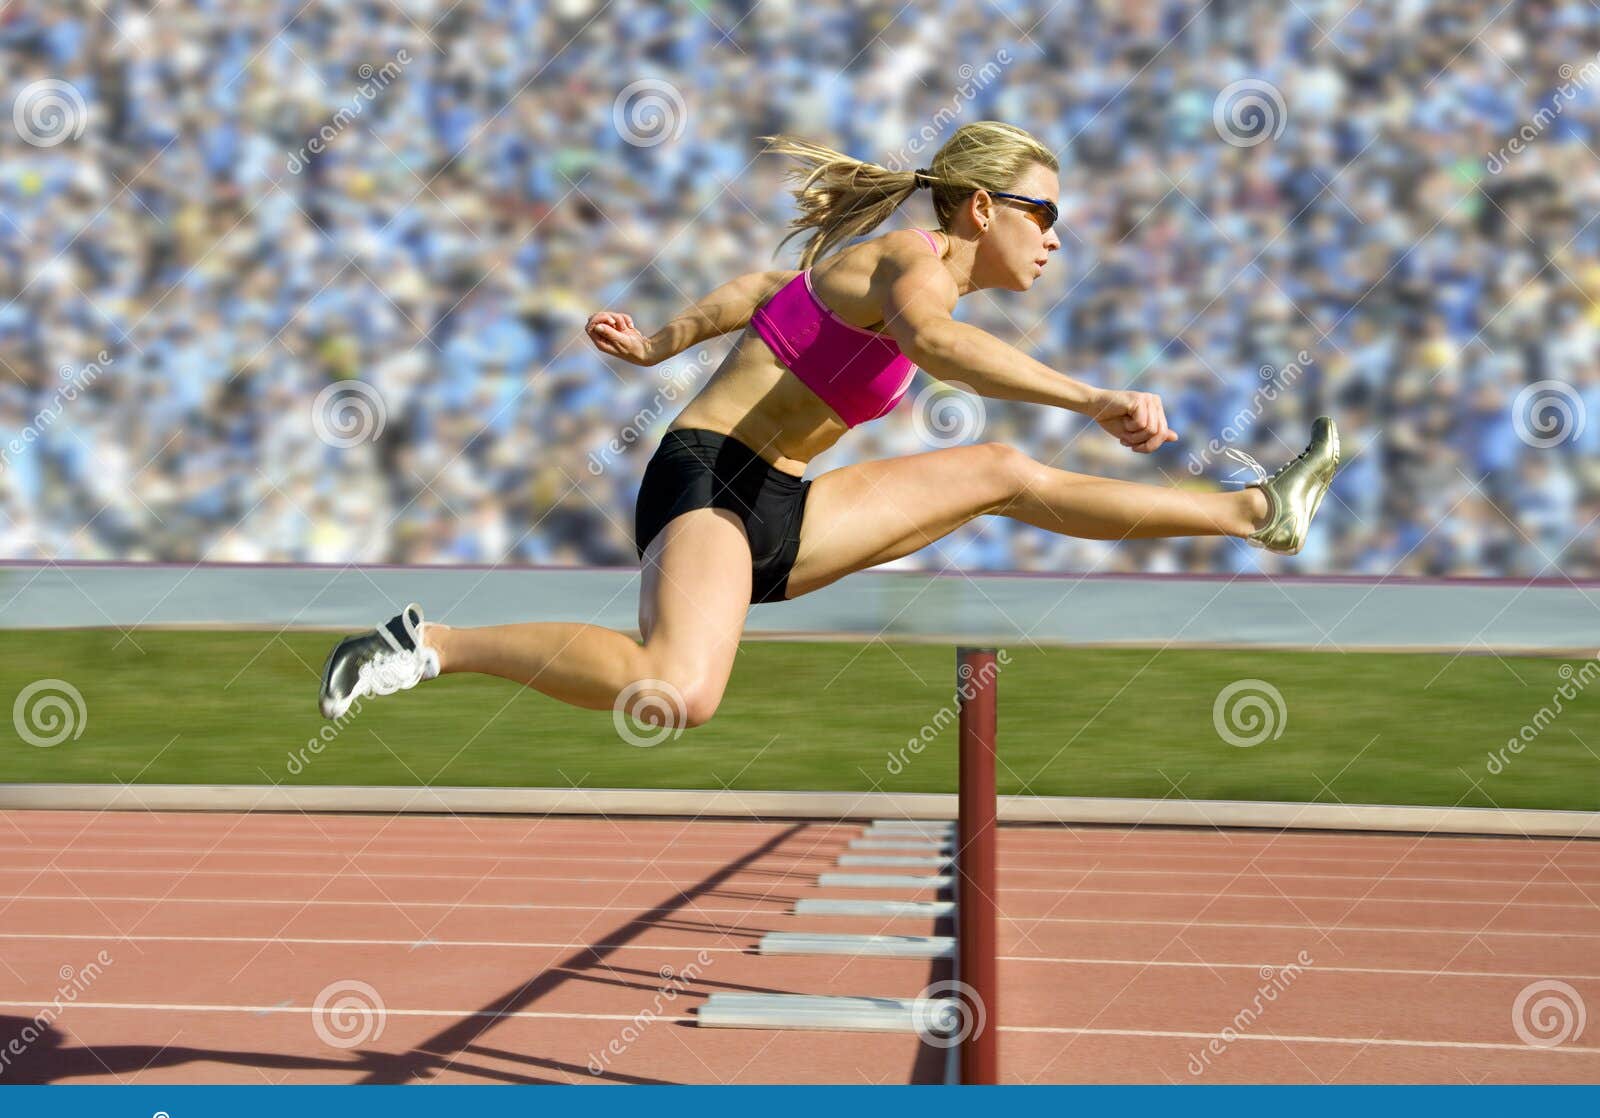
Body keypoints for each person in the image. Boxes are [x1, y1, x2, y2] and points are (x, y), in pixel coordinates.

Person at [318, 121, 1339, 728]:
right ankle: (427, 642)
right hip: (709, 480)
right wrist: (1090, 396)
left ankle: (1258, 509)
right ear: (980, 207)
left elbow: (761, 289)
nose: (1058, 239)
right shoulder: (911, 261)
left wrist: (659, 341)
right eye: (1046, 215)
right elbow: (930, 344)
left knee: (1001, 470)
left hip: (784, 507)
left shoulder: (886, 275)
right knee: (675, 692)